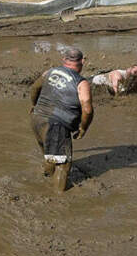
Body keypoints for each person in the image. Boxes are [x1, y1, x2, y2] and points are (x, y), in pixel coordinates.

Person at [32, 46, 93, 192]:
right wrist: (83, 127)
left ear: (64, 60)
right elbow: (87, 109)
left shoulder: (50, 71)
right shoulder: (81, 83)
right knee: (63, 165)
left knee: (49, 154)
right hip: (56, 125)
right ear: (82, 62)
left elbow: (34, 88)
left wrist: (34, 105)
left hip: (36, 118)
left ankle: (46, 178)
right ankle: (58, 197)